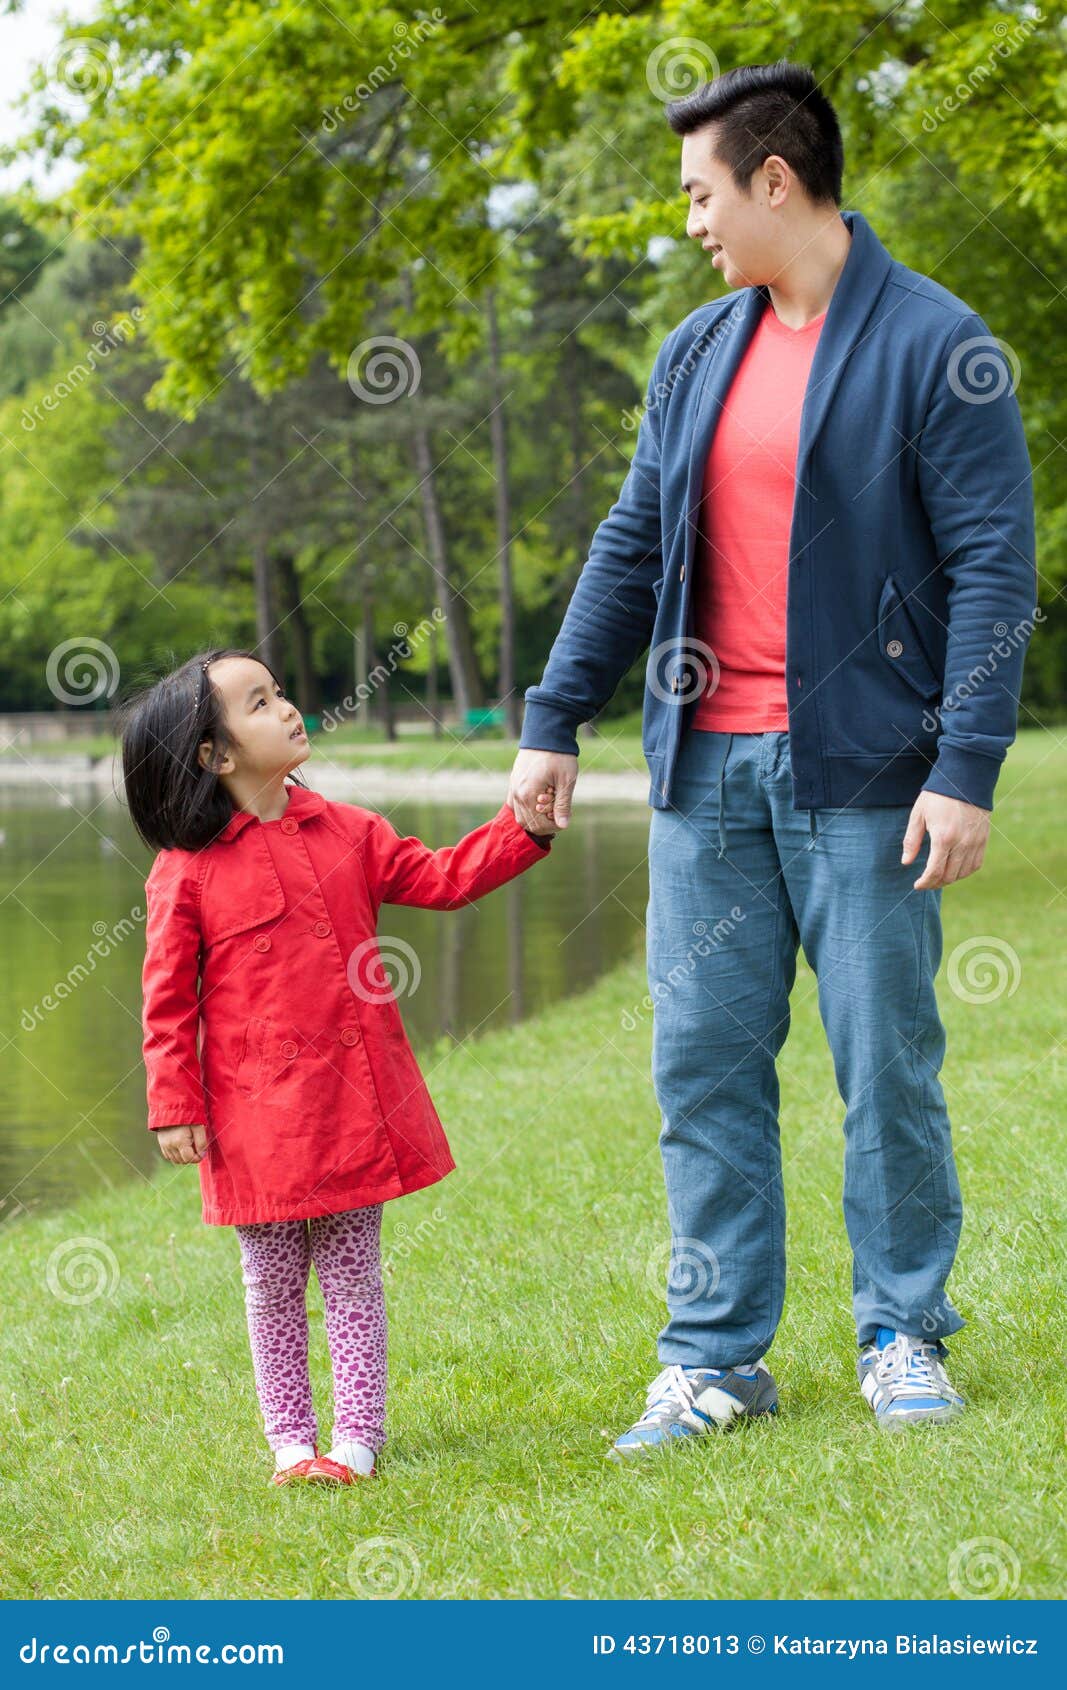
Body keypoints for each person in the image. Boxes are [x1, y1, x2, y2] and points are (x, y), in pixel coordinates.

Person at [509, 61, 1036, 1447]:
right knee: (699, 1064)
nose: (688, 219)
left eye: (698, 192)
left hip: (865, 773)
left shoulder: (933, 342)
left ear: (775, 183)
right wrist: (552, 715)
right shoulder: (695, 351)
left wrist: (964, 762)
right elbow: (633, 544)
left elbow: (992, 566)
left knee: (886, 1068)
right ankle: (714, 1355)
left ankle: (901, 1329)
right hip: (702, 780)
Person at [122, 648, 555, 1486]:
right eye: (259, 703)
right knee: (272, 1282)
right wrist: (175, 1102)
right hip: (258, 1123)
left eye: (279, 692)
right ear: (214, 754)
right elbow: (166, 1000)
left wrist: (523, 828)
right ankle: (291, 1443)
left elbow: (441, 877)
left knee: (354, 1275)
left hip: (357, 1109)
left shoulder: (351, 831)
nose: (287, 709)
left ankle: (356, 1440)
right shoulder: (186, 873)